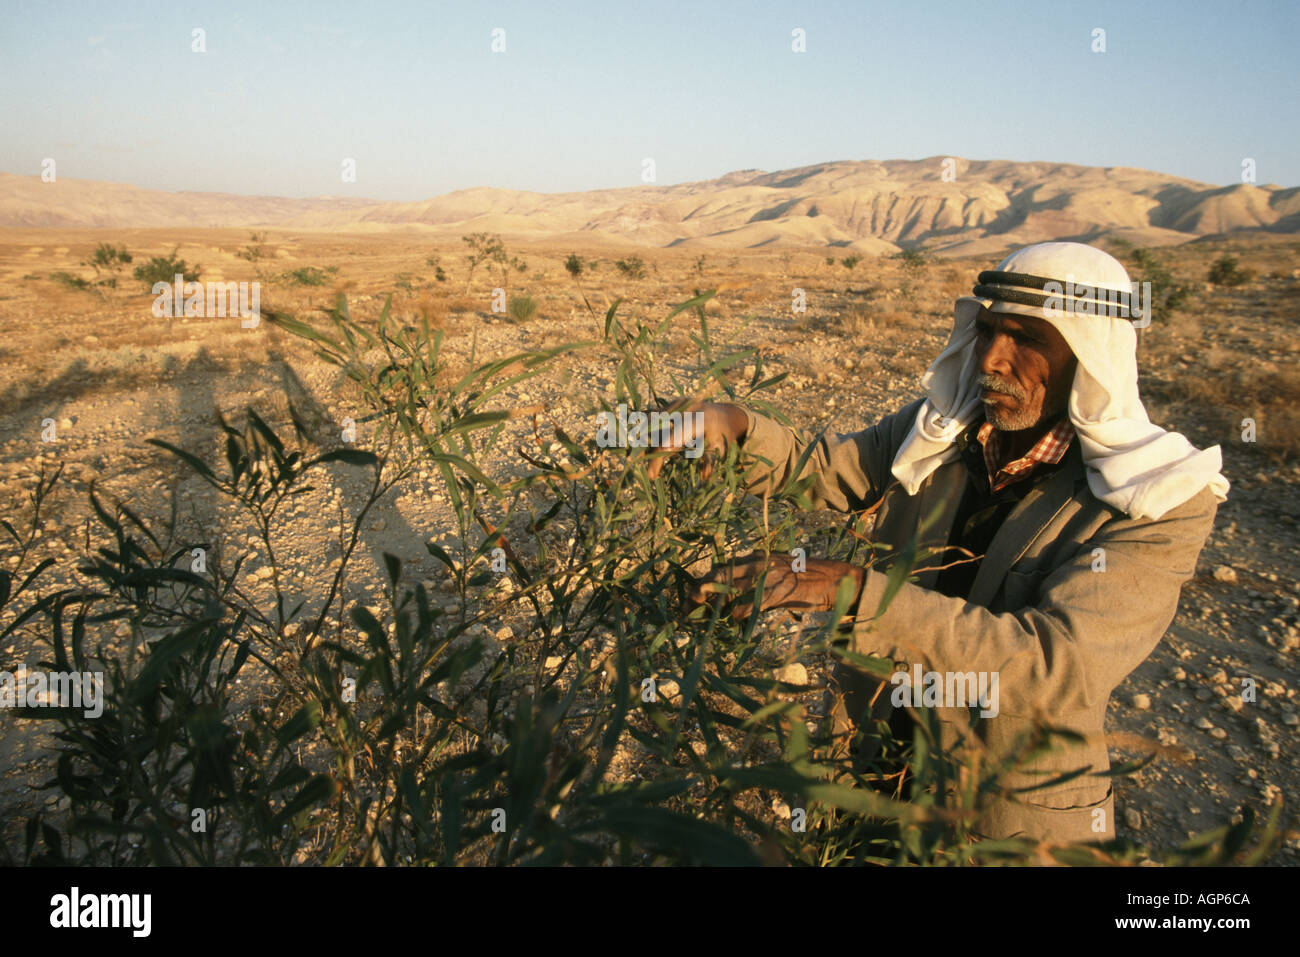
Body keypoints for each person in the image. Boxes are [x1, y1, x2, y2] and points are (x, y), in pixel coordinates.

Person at [648, 241, 1229, 844]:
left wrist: (854, 592)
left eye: (1027, 338)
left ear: (1088, 356)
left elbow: (1059, 669)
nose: (991, 361)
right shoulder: (941, 429)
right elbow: (826, 469)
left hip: (1001, 817)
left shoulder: (1159, 498)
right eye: (987, 331)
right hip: (876, 762)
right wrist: (732, 424)